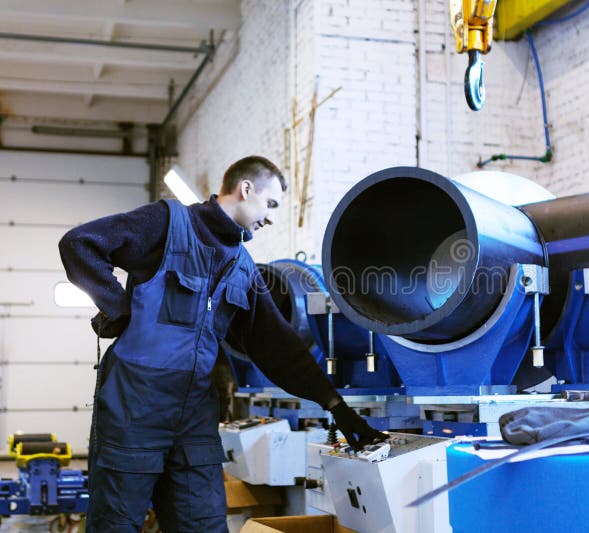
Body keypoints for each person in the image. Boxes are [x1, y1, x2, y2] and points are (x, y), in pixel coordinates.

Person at [59, 155, 386, 532]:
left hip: (195, 414)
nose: (272, 217)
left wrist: (335, 405)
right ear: (245, 189)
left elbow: (278, 345)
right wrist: (118, 308)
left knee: (203, 524)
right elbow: (79, 244)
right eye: (271, 204)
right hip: (134, 408)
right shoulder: (166, 224)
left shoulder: (243, 268)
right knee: (115, 524)